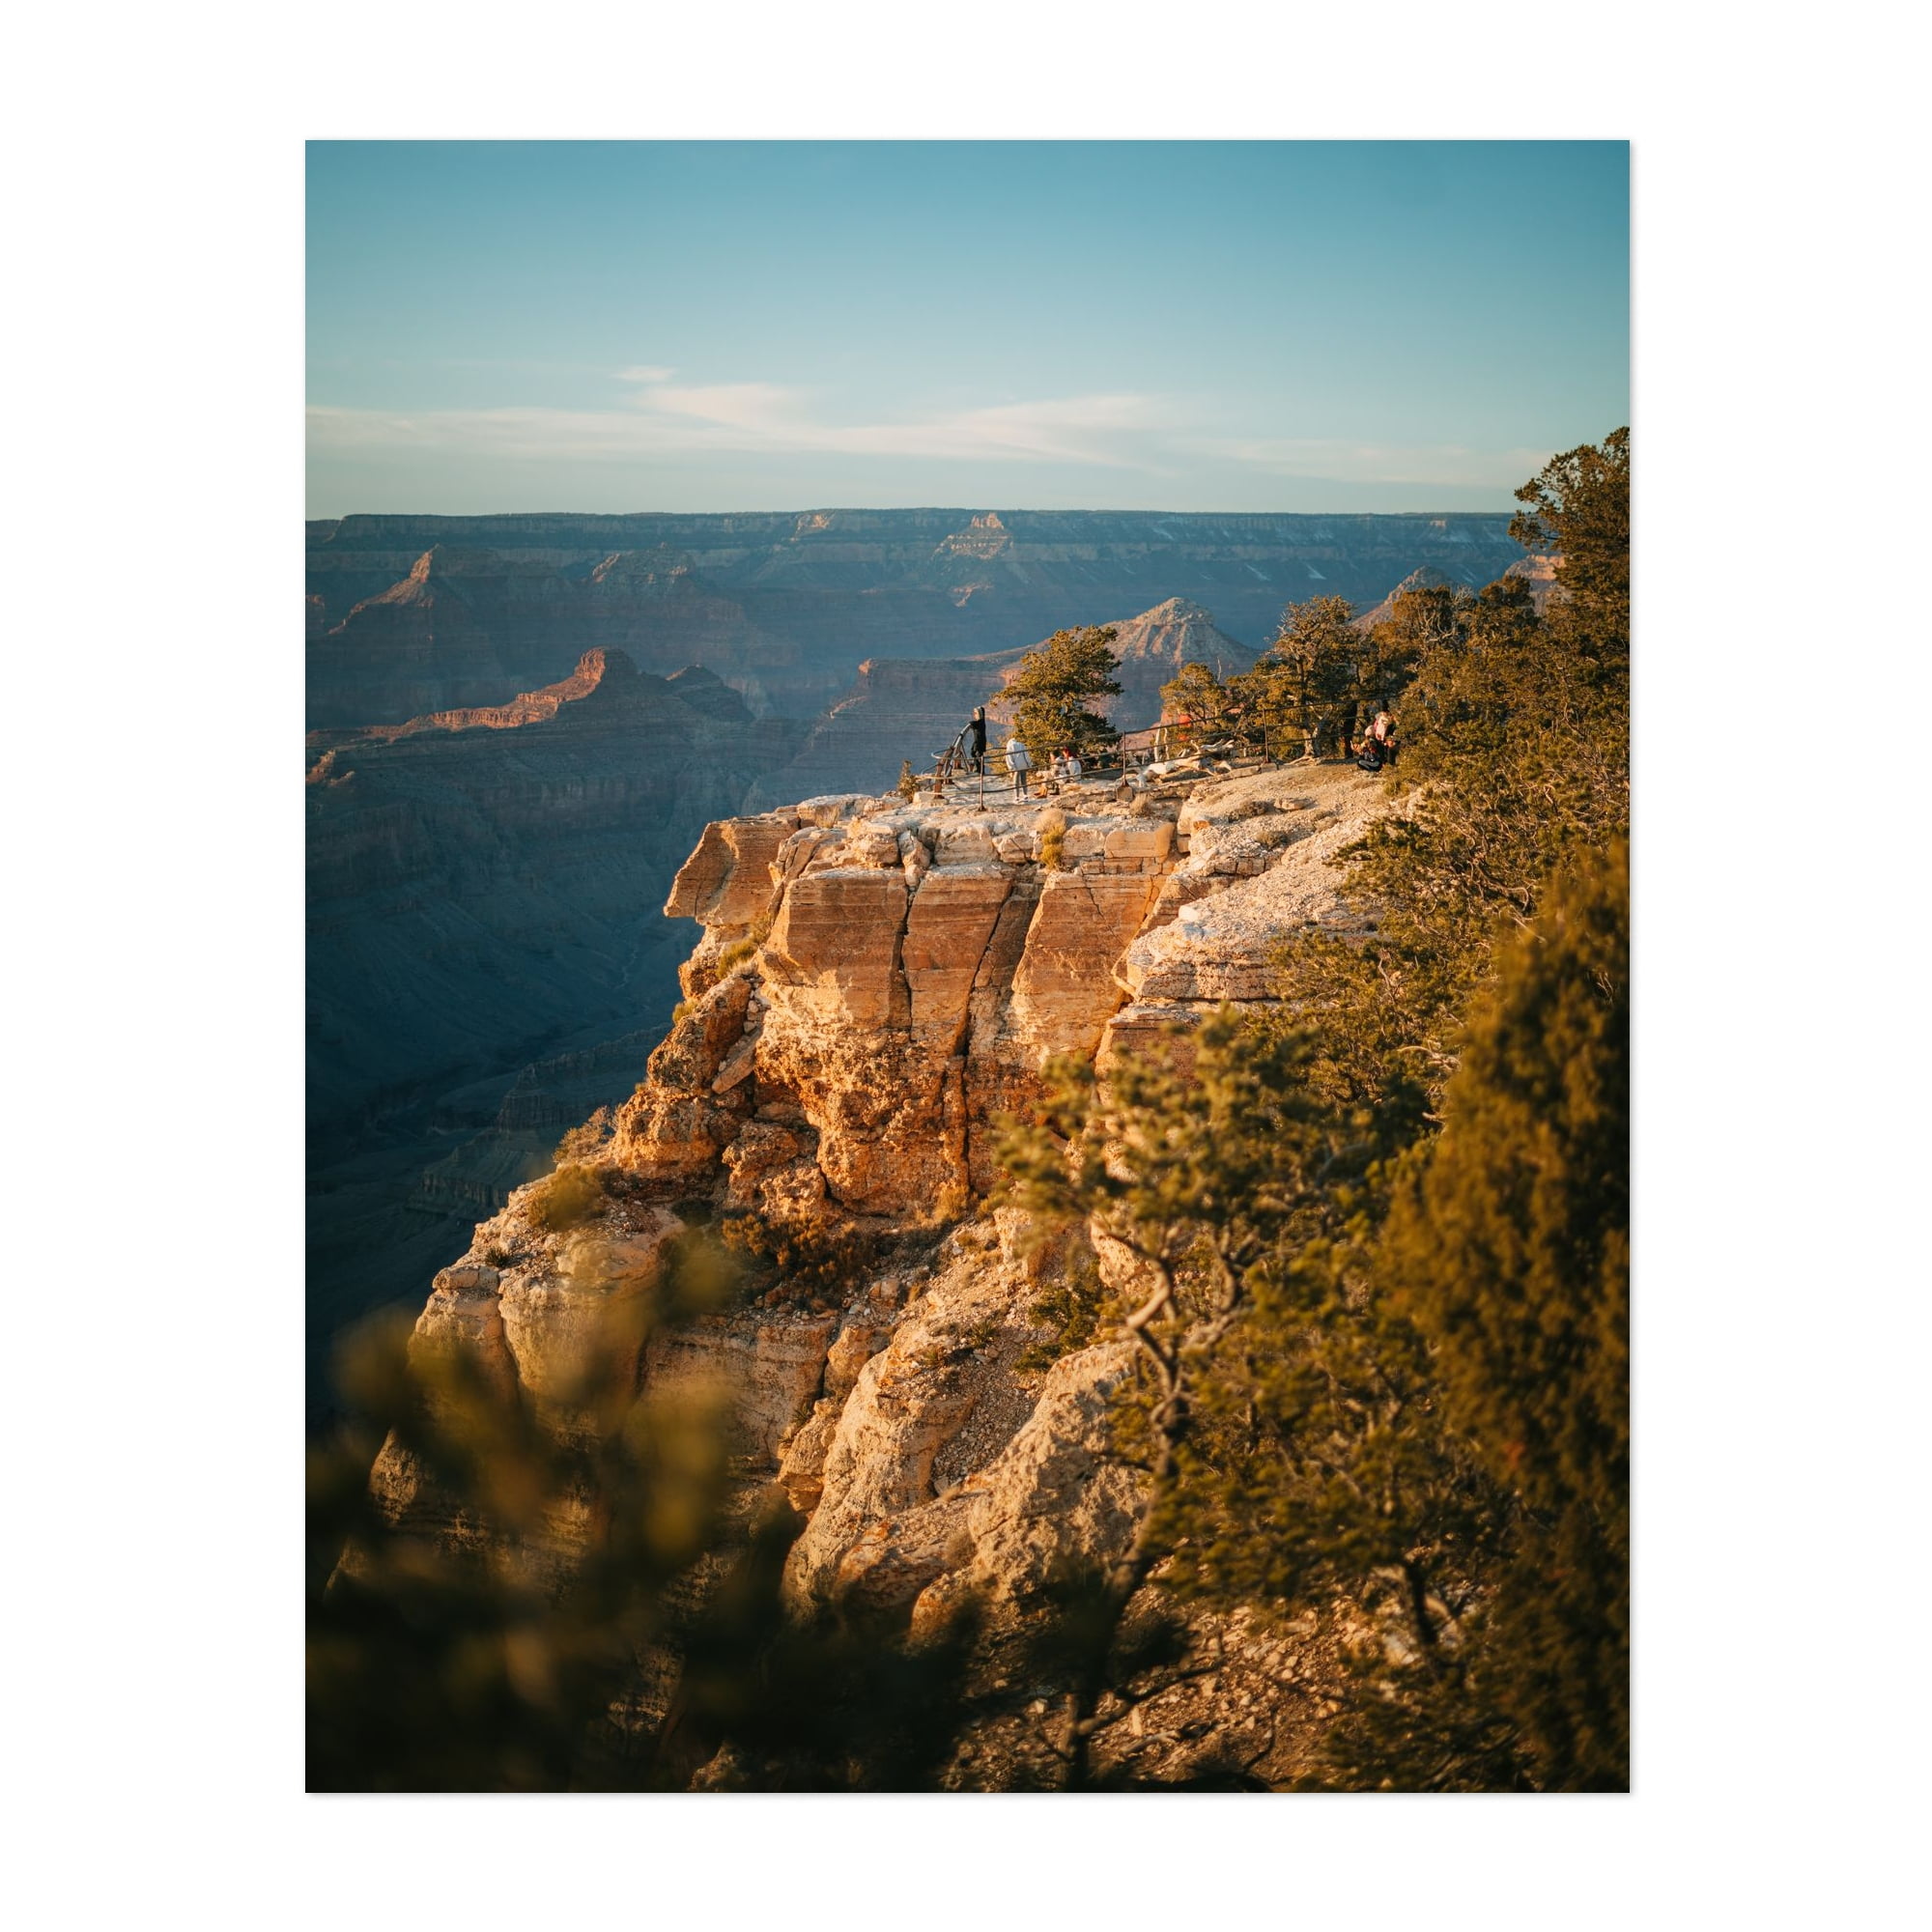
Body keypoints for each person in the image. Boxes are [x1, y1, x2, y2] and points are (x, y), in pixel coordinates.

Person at [1006, 734, 1032, 799]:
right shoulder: (1022, 745)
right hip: (1023, 765)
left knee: (1016, 782)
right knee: (1024, 781)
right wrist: (1029, 764)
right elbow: (1026, 755)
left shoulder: (1010, 747)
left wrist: (1012, 768)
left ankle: (1017, 796)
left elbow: (1009, 759)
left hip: (1016, 767)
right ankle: (1025, 795)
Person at [968, 706, 987, 774]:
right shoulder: (980, 722)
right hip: (977, 741)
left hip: (980, 741)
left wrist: (970, 723)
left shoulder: (981, 722)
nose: (974, 715)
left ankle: (981, 770)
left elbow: (973, 724)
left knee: (979, 755)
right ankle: (979, 769)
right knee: (973, 753)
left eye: (976, 713)